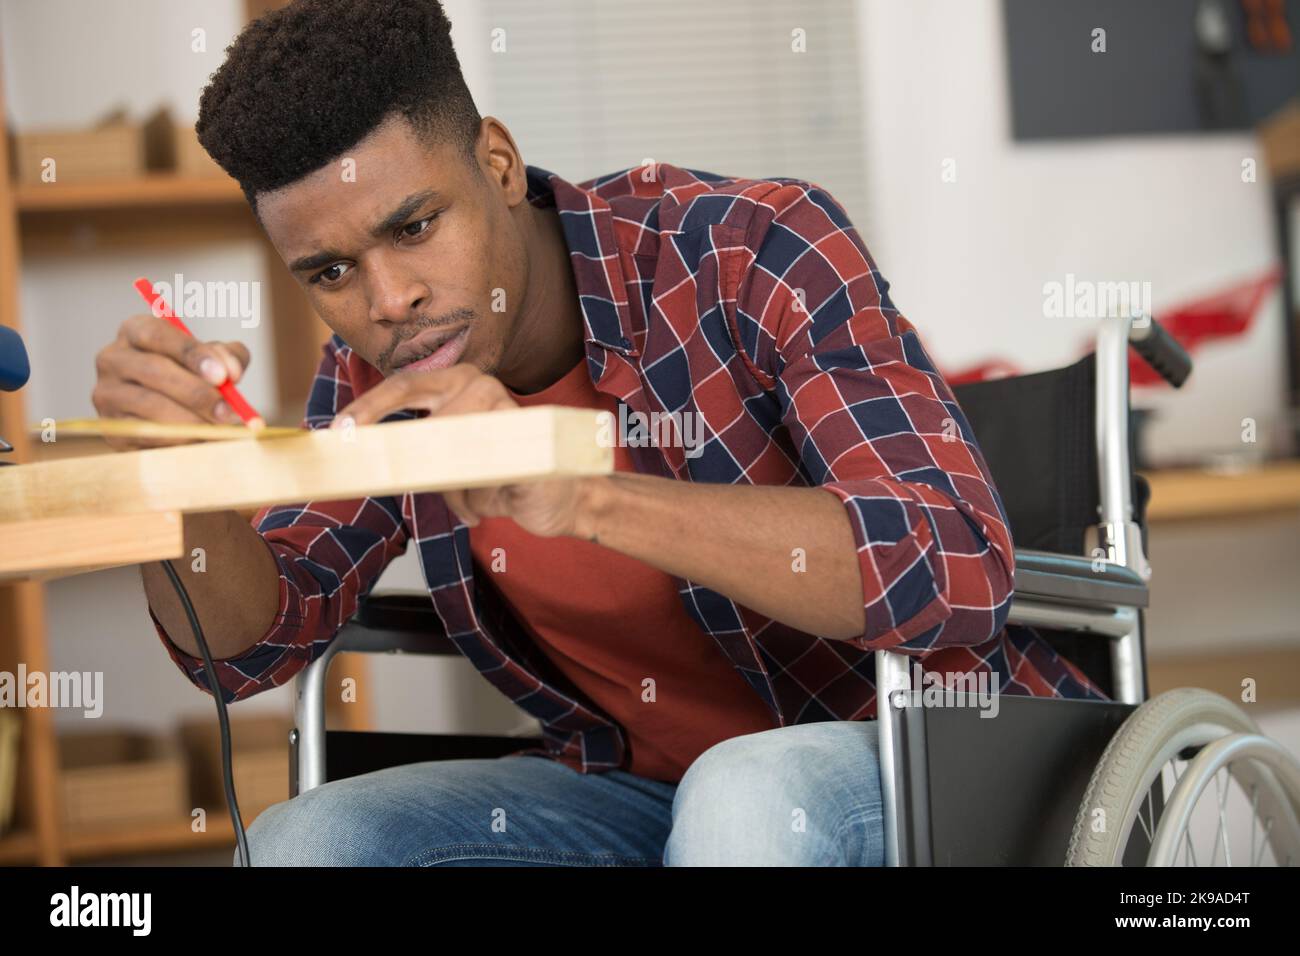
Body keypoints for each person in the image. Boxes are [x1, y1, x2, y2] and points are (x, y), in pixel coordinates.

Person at [91, 0, 1106, 867]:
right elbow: (251, 647)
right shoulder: (377, 369)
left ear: (496, 160)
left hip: (912, 751)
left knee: (744, 793)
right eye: (328, 272)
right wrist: (174, 485)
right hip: (634, 792)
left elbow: (952, 564)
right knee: (301, 843)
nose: (388, 299)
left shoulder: (750, 250)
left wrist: (585, 491)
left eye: (413, 226)